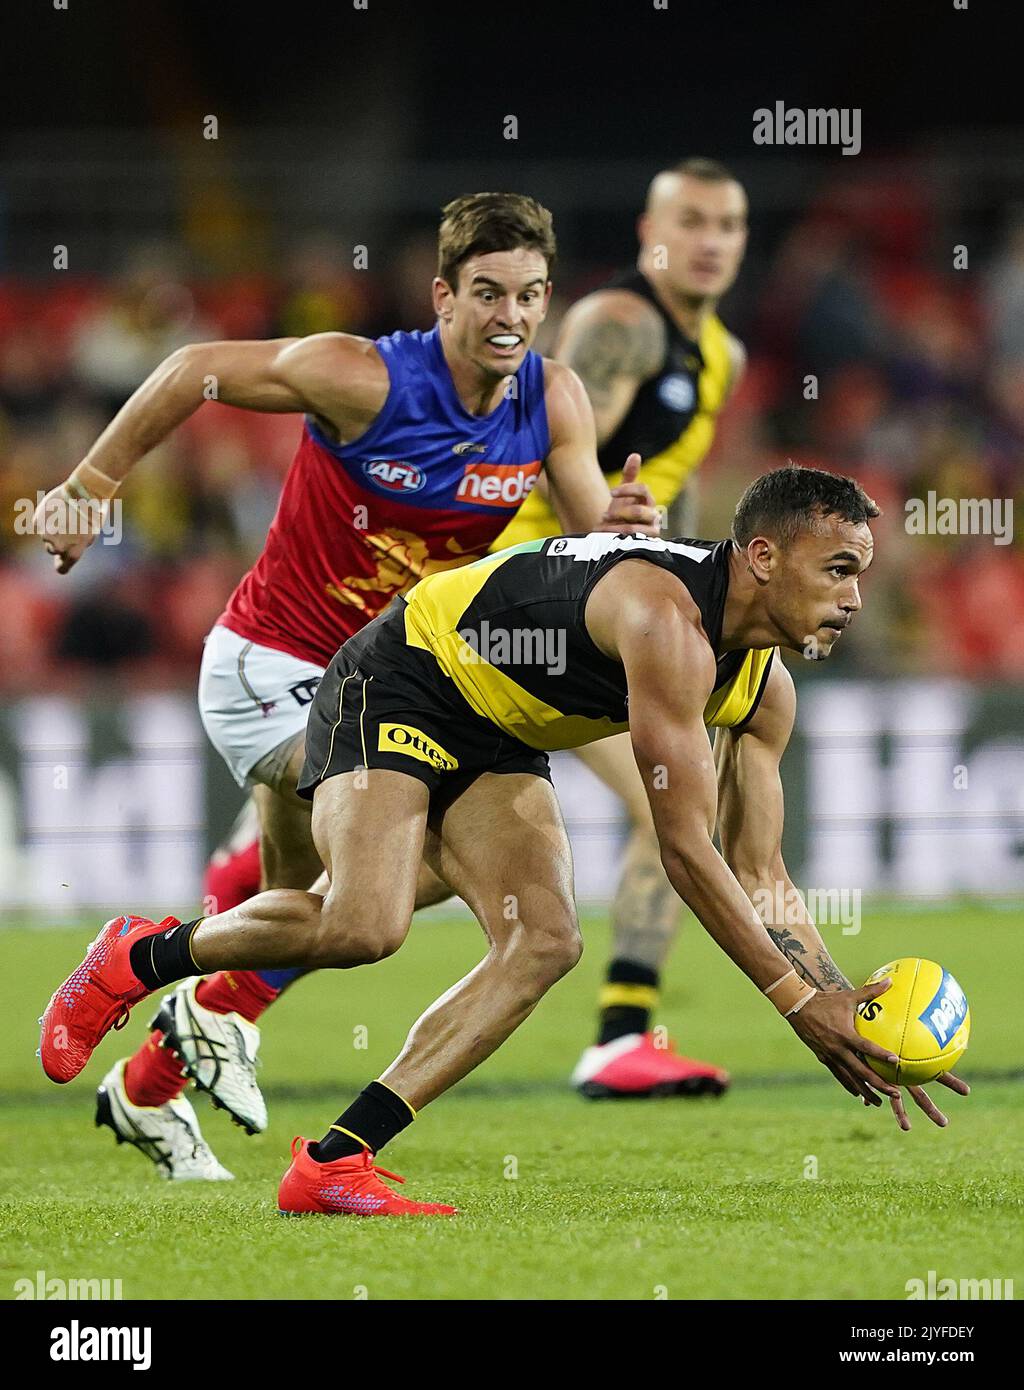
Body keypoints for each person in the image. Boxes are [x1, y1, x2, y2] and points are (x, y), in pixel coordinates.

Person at [40, 466, 969, 1215]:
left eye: (862, 574)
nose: (854, 597)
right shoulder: (667, 621)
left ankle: (334, 1161)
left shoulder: (764, 690)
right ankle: (135, 954)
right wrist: (792, 1002)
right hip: (405, 671)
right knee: (362, 925)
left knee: (546, 938)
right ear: (763, 556)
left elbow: (762, 873)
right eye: (839, 568)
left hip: (498, 731)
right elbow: (688, 853)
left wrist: (844, 1002)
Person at [34, 192, 657, 1180]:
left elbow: (588, 548)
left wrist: (622, 532)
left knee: (326, 902)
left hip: (397, 678)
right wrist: (93, 484)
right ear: (443, 296)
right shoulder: (361, 375)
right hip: (274, 666)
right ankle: (163, 980)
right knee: (363, 892)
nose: (510, 316)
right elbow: (193, 369)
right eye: (487, 293)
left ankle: (156, 1070)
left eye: (531, 295)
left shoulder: (554, 399)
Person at [494, 158, 749, 1097]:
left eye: (728, 223)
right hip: (525, 597)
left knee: (396, 877)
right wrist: (603, 523)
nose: (711, 240)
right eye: (692, 220)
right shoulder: (619, 327)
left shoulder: (723, 355)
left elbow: (655, 489)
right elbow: (539, 456)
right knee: (676, 801)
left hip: (598, 602)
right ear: (651, 230)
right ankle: (619, 1035)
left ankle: (622, 1035)